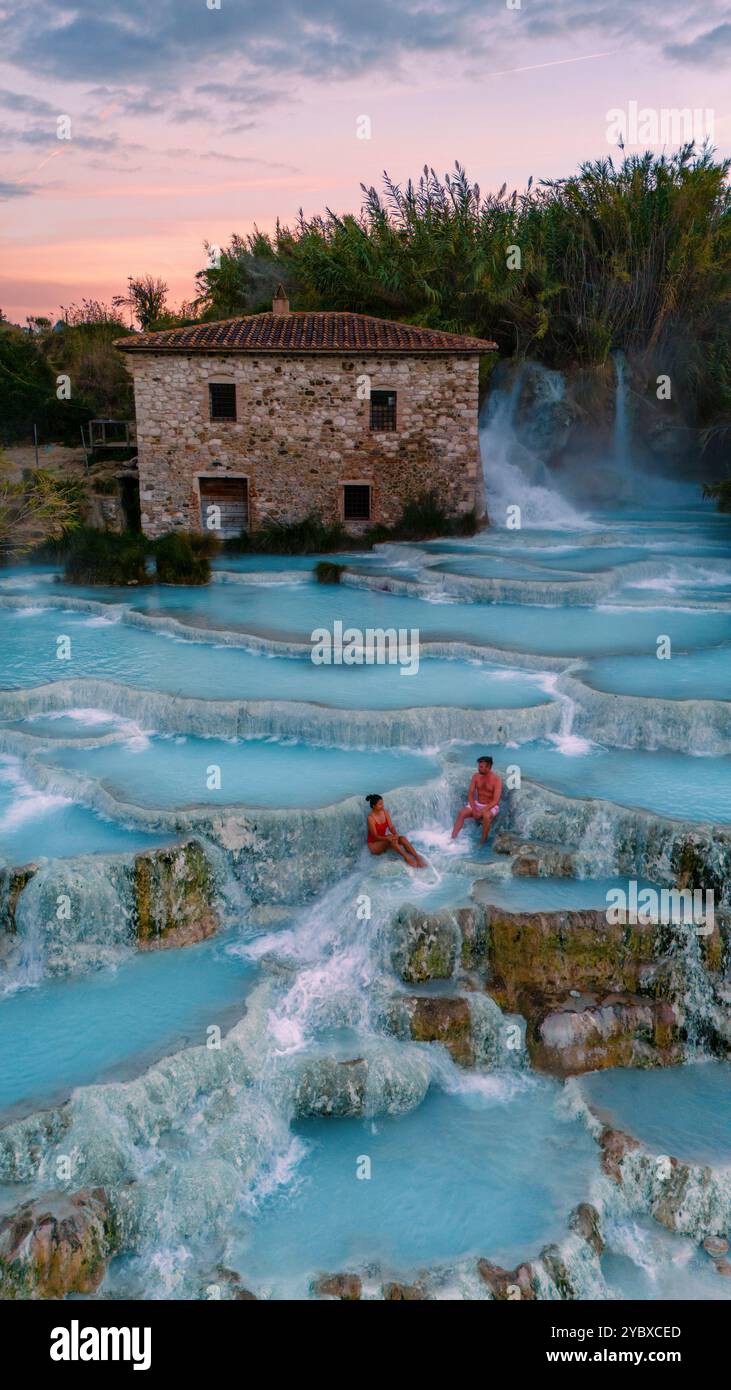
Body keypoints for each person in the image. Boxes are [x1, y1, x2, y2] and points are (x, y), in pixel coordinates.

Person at [451, 755, 502, 844]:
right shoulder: (476, 777)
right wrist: (474, 810)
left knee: (486, 816)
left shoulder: (497, 780)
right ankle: (453, 838)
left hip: (491, 806)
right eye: (479, 766)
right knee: (462, 813)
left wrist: (482, 811)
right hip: (478, 804)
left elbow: (495, 801)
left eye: (481, 767)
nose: (479, 768)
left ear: (489, 767)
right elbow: (470, 794)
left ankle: (482, 841)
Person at [366, 794, 427, 868]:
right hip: (374, 845)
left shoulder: (385, 812)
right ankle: (407, 858)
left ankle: (417, 857)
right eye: (380, 804)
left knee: (402, 838)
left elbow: (391, 827)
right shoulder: (371, 818)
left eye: (382, 803)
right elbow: (375, 836)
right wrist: (387, 838)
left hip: (383, 840)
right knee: (391, 840)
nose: (382, 806)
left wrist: (395, 834)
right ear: (373, 806)